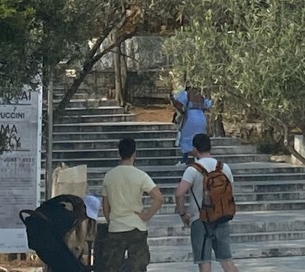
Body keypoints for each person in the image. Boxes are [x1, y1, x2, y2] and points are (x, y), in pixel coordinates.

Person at [175, 132, 239, 272]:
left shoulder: (192, 170)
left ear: (195, 149)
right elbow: (230, 191)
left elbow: (180, 193)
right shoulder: (224, 167)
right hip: (222, 217)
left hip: (200, 219)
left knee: (204, 263)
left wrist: (183, 214)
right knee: (227, 261)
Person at [100, 137, 164, 272]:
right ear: (134, 153)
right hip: (136, 226)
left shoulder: (109, 176)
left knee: (113, 267)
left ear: (119, 153)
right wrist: (147, 215)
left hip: (116, 227)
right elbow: (158, 198)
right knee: (138, 267)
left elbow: (105, 205)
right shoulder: (141, 175)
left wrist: (110, 220)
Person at [173, 87, 212, 166]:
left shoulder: (186, 94)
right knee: (198, 138)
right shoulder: (202, 95)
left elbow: (179, 104)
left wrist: (173, 101)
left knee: (186, 139)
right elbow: (208, 105)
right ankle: (199, 158)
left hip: (190, 118)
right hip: (201, 118)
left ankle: (185, 160)